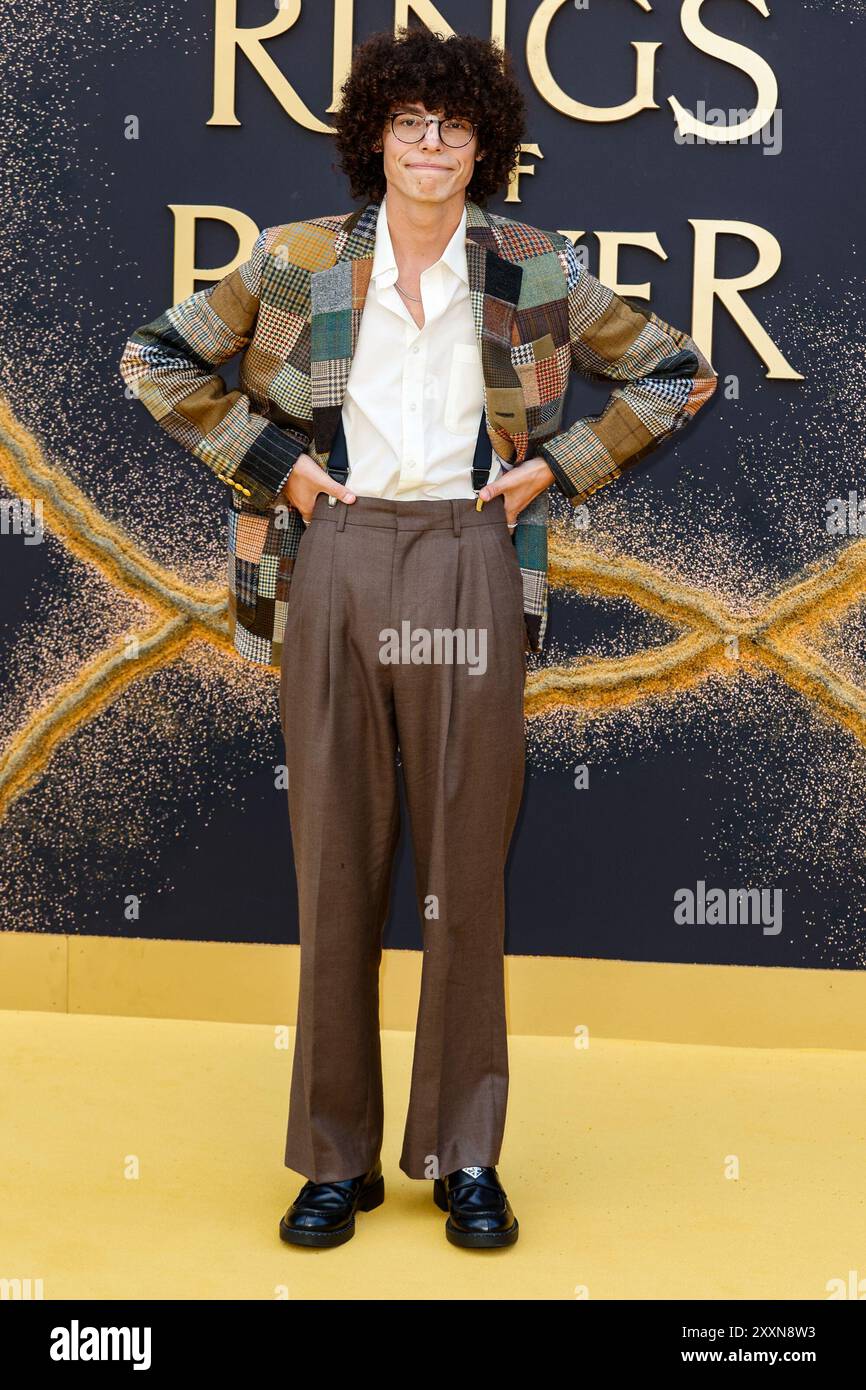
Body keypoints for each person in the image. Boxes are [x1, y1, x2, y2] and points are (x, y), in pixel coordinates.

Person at [119, 27, 717, 1251]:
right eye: (406, 124)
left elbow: (674, 372)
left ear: (482, 143)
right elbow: (156, 358)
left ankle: (461, 1155)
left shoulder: (534, 265)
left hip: (467, 557)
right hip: (331, 556)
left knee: (463, 870)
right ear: (373, 139)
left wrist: (553, 468)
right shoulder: (295, 261)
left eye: (451, 126)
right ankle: (332, 1161)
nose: (429, 144)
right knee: (335, 859)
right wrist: (277, 468)